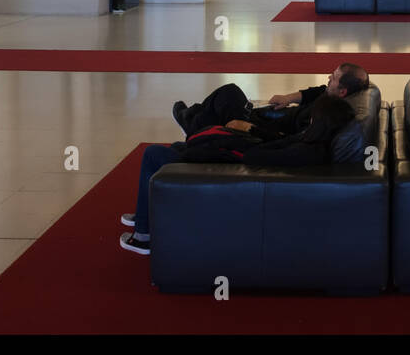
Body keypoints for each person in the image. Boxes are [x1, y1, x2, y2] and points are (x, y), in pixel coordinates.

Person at [120, 95, 357, 255]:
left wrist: (248, 143)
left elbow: (258, 158)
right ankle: (144, 215)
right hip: (242, 157)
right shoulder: (311, 141)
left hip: (233, 166)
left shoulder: (308, 149)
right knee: (175, 148)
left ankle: (143, 234)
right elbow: (276, 147)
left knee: (153, 154)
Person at [172, 63, 370, 137]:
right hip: (269, 116)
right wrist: (288, 98)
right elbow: (315, 91)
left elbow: (291, 140)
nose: (328, 78)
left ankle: (192, 123)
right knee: (226, 98)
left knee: (228, 94)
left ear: (343, 91)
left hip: (265, 130)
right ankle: (193, 119)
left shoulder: (327, 114)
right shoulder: (330, 94)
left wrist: (251, 128)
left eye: (333, 78)